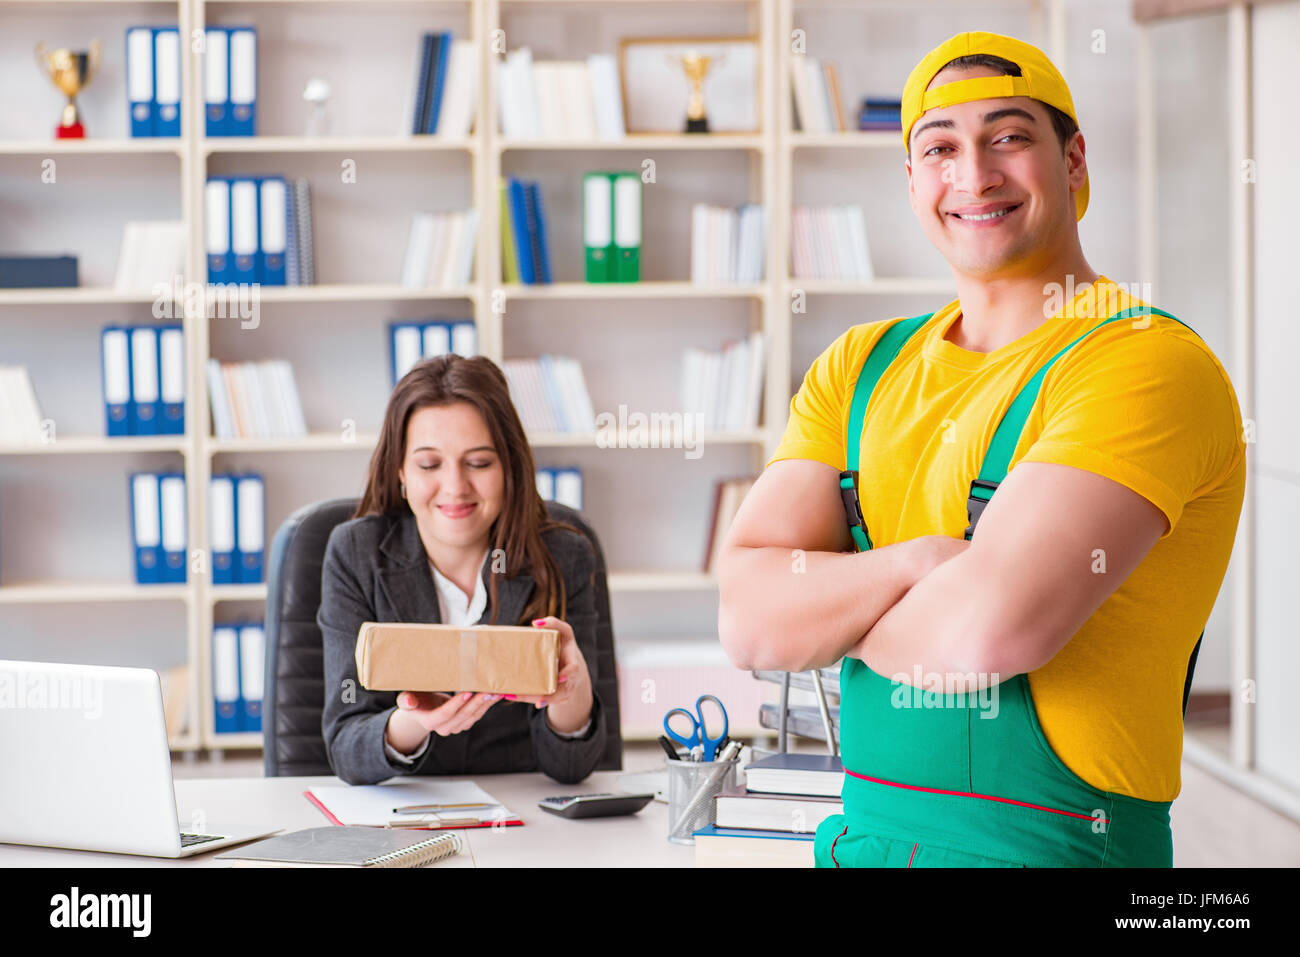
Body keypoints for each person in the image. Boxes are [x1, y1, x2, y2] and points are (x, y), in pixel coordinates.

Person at [717, 32, 1246, 867]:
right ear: (913, 180)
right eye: (941, 147)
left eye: (1008, 137)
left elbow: (990, 634)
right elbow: (747, 618)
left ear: (1073, 163)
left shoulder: (1144, 362)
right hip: (862, 843)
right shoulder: (859, 367)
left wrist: (827, 614)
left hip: (1056, 850)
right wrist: (920, 565)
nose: (974, 174)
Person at [318, 354, 607, 786]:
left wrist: (572, 691)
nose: (455, 487)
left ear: (509, 467)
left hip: (526, 825)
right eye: (429, 464)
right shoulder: (355, 553)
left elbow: (572, 768)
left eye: (478, 463)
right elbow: (345, 745)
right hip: (402, 815)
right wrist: (417, 720)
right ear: (400, 471)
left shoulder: (565, 555)